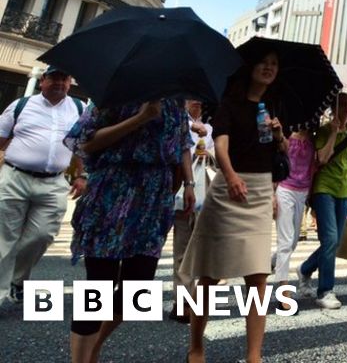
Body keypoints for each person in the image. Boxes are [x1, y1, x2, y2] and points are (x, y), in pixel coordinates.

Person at [65, 98, 193, 363]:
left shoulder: (175, 103)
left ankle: (94, 347)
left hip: (153, 200)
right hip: (112, 192)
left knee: (137, 285)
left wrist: (189, 183)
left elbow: (183, 145)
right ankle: (81, 358)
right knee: (99, 285)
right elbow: (86, 142)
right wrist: (139, 118)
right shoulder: (113, 95)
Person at [182, 52, 286, 363]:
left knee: (258, 278)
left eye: (274, 64)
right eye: (263, 61)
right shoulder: (229, 103)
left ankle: (254, 356)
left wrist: (279, 135)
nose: (269, 67)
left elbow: (281, 153)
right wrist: (230, 177)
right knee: (210, 276)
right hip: (228, 191)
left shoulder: (274, 107)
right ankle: (196, 346)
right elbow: (221, 145)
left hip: (260, 191)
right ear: (250, 67)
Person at [0, 66, 84, 307]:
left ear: (70, 82)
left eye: (64, 78)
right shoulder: (21, 105)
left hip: (54, 182)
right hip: (15, 177)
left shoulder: (79, 109)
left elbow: (82, 146)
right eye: (54, 77)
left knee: (41, 235)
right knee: (4, 238)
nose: (60, 82)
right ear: (43, 81)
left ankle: (17, 280)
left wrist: (82, 175)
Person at [297, 93, 347, 309]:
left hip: (342, 190)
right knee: (330, 238)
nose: (346, 108)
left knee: (335, 242)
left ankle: (305, 268)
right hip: (323, 188)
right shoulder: (323, 131)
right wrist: (333, 132)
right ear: (334, 107)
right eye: (343, 105)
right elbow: (322, 158)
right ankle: (325, 290)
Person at [169, 99, 214, 322]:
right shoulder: (176, 121)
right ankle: (182, 303)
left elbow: (224, 155)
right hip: (182, 192)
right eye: (191, 95)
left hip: (208, 194)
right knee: (182, 249)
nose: (196, 99)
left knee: (205, 251)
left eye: (199, 95)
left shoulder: (213, 125)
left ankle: (197, 299)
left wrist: (209, 154)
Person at [272, 127, 317, 311]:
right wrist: (272, 193)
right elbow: (276, 160)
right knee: (285, 242)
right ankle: (284, 295)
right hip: (285, 189)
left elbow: (315, 165)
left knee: (293, 242)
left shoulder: (314, 137)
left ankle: (272, 262)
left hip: (303, 191)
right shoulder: (287, 132)